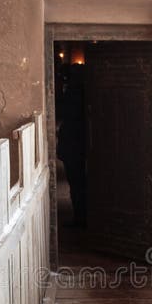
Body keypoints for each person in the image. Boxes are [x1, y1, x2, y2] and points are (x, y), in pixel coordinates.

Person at [56, 64, 87, 227]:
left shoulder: (72, 93)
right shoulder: (84, 92)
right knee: (79, 184)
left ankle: (80, 218)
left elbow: (61, 112)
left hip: (74, 146)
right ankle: (82, 217)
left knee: (76, 184)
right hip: (77, 146)